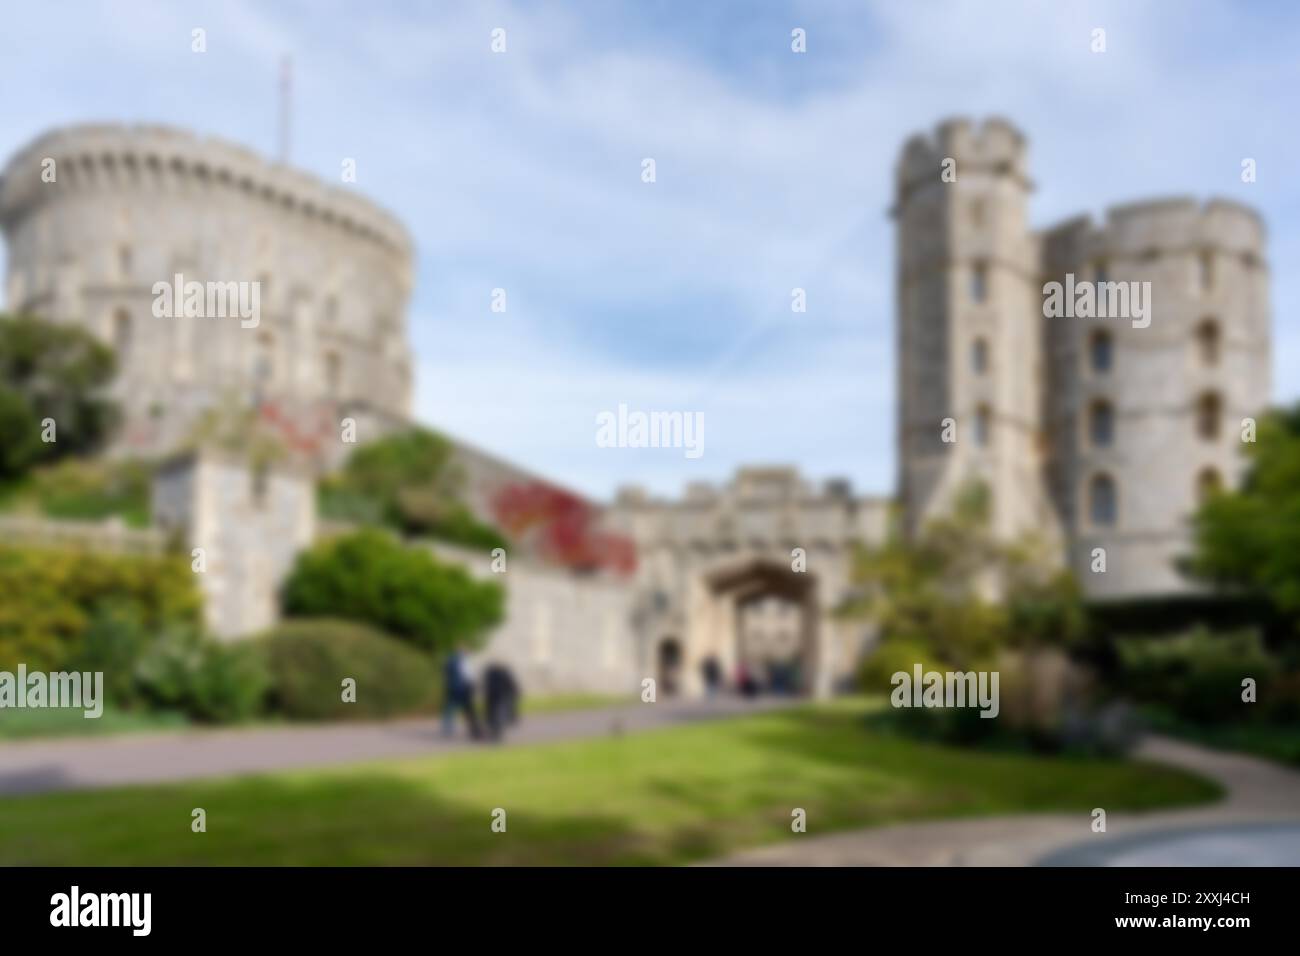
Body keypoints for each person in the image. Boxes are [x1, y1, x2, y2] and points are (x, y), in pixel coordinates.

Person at [442, 644, 481, 739]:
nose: (468, 653)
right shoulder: (459, 661)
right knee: (465, 709)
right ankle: (474, 730)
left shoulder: (452, 660)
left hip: (457, 687)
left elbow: (447, 673)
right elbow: (467, 675)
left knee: (452, 708)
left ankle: (449, 729)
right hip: (461, 688)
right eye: (466, 651)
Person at [482, 662, 520, 742]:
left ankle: (496, 734)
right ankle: (496, 734)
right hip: (498, 697)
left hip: (495, 697)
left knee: (495, 716)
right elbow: (511, 684)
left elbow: (486, 686)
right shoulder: (501, 673)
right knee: (497, 716)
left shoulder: (491, 673)